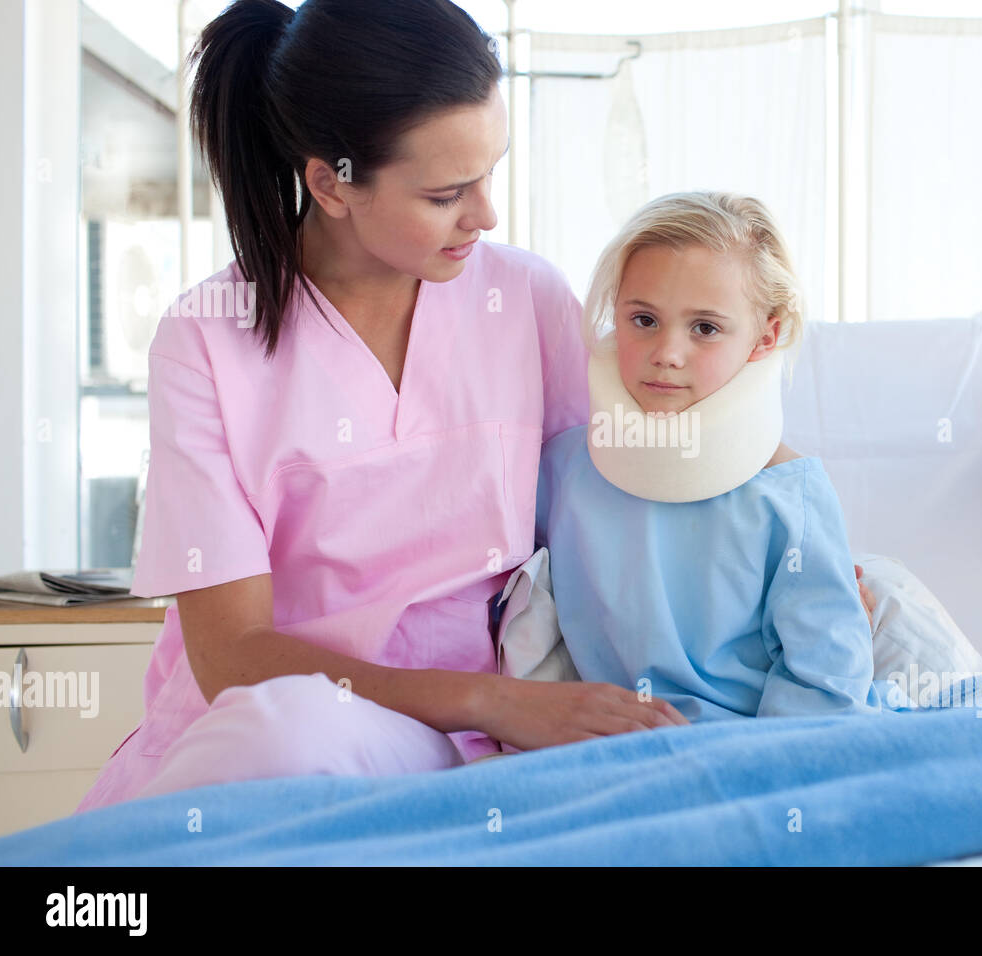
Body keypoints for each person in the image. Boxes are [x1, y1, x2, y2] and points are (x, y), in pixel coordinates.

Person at [75, 0, 691, 814]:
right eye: (446, 193)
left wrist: (787, 541)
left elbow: (621, 491)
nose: (486, 215)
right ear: (331, 183)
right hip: (282, 732)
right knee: (288, 738)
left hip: (477, 739)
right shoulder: (206, 341)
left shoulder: (525, 299)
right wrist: (487, 702)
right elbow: (231, 656)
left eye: (490, 173)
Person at [536, 191, 896, 721]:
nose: (667, 353)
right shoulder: (562, 469)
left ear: (765, 337)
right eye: (643, 320)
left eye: (704, 328)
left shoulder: (790, 495)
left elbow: (825, 690)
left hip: (758, 753)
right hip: (614, 747)